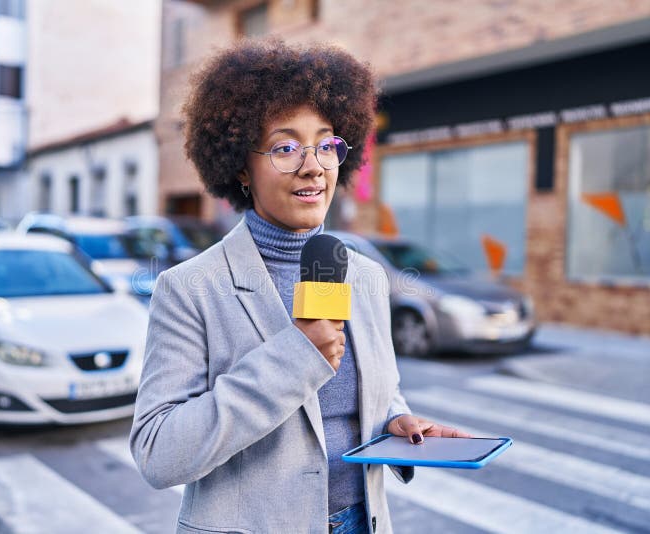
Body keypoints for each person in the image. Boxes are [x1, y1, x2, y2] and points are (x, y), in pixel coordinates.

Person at [130, 39, 470, 534]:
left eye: (327, 144)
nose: (312, 166)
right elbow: (159, 454)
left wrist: (396, 423)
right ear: (240, 166)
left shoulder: (365, 275)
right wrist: (293, 358)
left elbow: (378, 393)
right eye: (286, 147)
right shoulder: (190, 288)